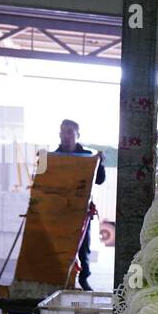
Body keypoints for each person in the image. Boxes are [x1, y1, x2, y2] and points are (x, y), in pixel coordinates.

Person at [53, 119, 105, 290]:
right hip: (59, 210)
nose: (65, 136)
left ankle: (83, 278)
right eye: (63, 132)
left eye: (69, 132)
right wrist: (42, 162)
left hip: (81, 210)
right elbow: (41, 178)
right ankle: (60, 279)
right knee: (59, 245)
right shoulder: (53, 156)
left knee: (83, 248)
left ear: (77, 135)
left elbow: (99, 180)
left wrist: (100, 162)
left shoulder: (88, 157)